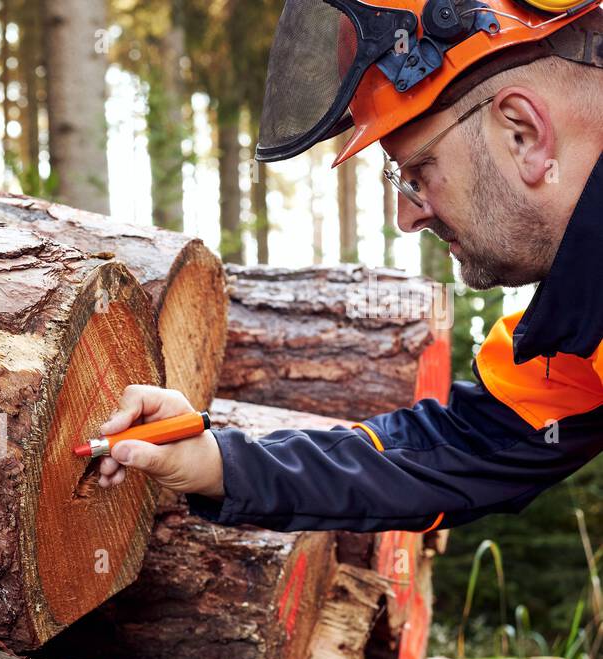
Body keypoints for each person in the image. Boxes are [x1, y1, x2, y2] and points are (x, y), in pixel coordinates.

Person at [97, 1, 603, 536]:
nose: (408, 216)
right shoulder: (578, 327)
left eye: (418, 173)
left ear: (523, 133)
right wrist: (217, 460)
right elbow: (468, 444)